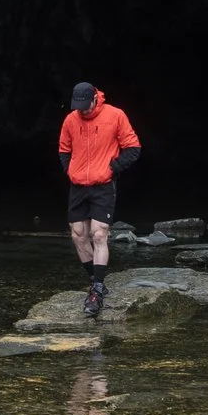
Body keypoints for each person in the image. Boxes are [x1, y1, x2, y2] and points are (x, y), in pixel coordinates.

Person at [57, 80, 141, 319]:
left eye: (86, 105)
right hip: (78, 186)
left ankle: (96, 292)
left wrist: (113, 169)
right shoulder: (71, 119)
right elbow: (64, 149)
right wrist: (70, 170)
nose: (82, 110)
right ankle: (97, 282)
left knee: (99, 233)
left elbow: (133, 148)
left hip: (103, 184)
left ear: (95, 98)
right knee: (77, 235)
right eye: (78, 106)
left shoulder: (115, 115)